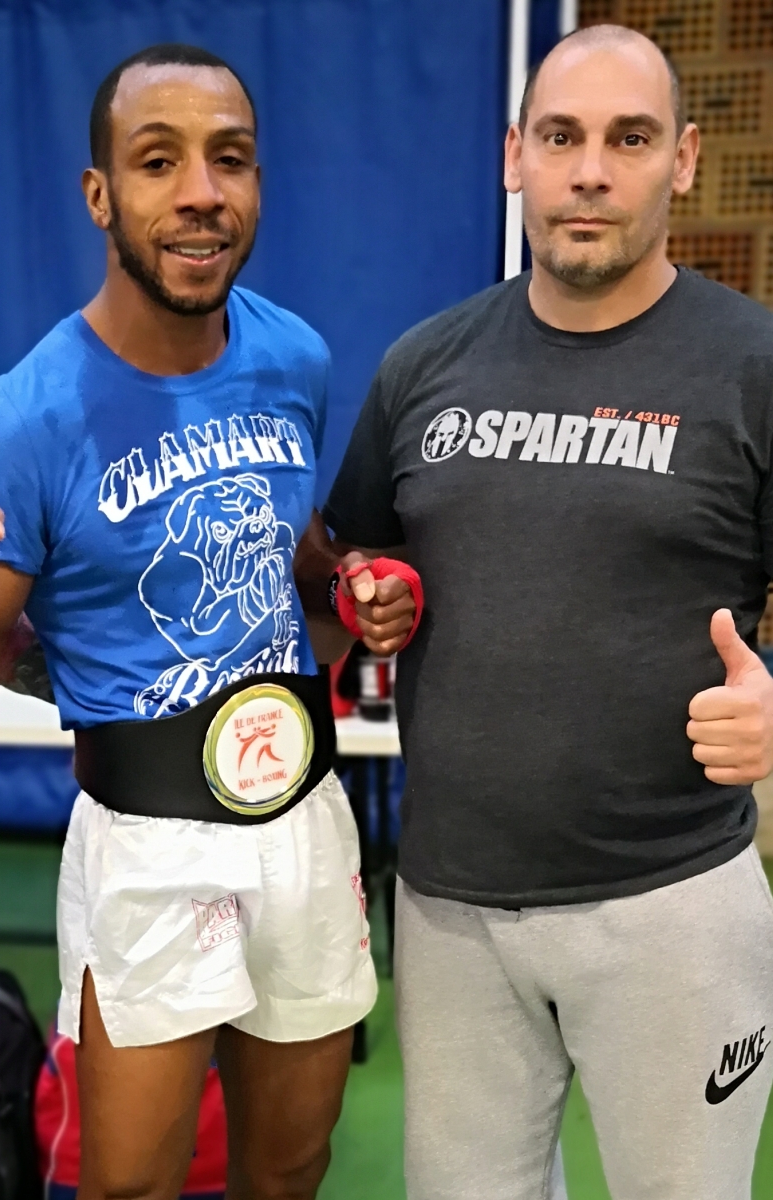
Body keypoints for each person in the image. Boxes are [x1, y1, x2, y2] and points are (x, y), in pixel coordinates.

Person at [0, 43, 415, 1200]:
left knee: (291, 1168)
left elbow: (300, 574)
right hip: (149, 841)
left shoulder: (294, 358)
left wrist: (353, 594)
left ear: (258, 184)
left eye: (229, 160)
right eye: (158, 161)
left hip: (303, 813)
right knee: (131, 1183)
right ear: (101, 196)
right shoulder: (20, 422)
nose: (200, 192)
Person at [304, 25, 773, 1200]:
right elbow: (362, 551)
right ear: (515, 155)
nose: (591, 171)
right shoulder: (424, 366)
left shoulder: (751, 365)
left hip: (672, 908)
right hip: (453, 908)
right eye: (561, 137)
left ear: (685, 160)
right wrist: (380, 597)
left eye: (630, 138)